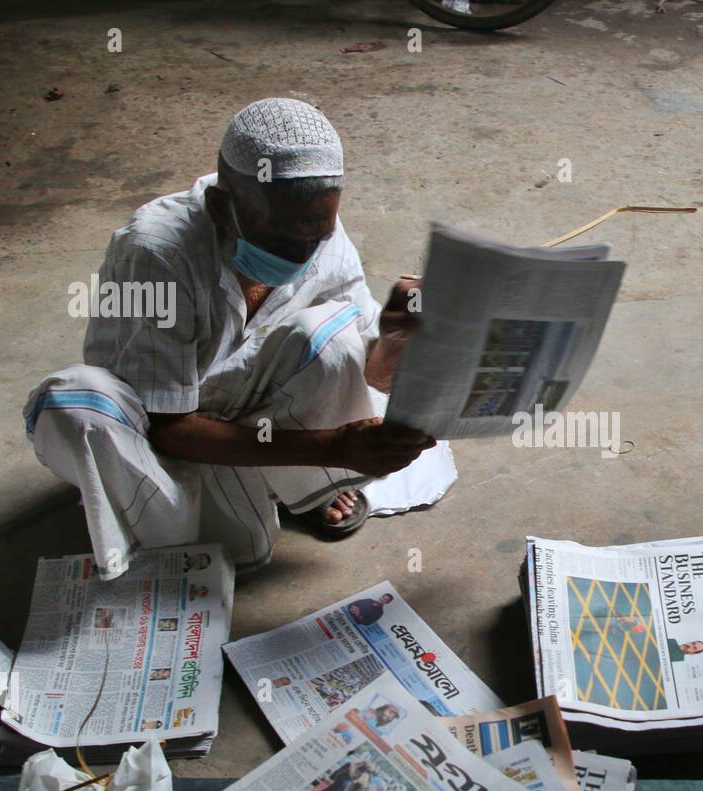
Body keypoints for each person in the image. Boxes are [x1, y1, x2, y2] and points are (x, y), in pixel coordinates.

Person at [24, 98, 437, 579]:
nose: (304, 253)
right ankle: (190, 505)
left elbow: (368, 374)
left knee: (333, 332)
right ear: (222, 207)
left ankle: (297, 485)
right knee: (73, 407)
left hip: (249, 404)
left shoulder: (316, 228)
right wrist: (334, 448)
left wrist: (392, 339)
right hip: (160, 425)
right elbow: (168, 425)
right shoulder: (155, 253)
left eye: (316, 237)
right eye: (283, 241)